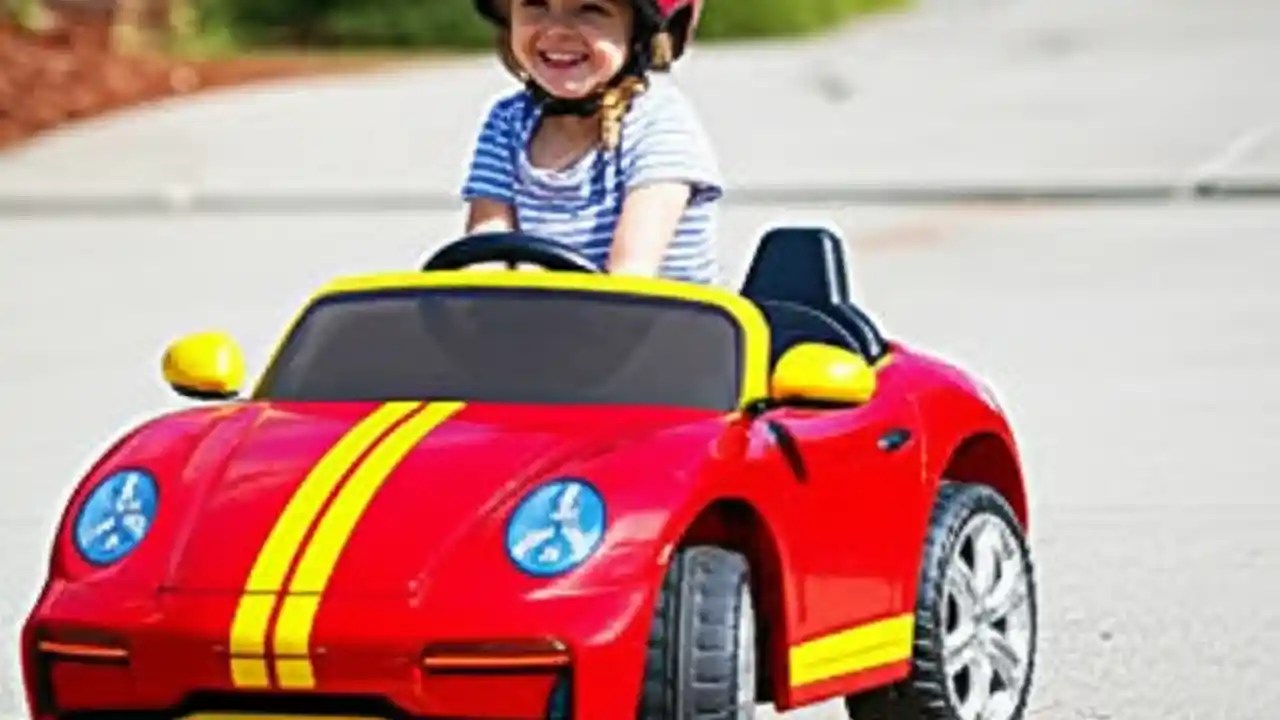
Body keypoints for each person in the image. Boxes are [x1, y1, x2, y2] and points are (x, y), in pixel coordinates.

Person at [461, 0, 724, 285]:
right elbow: (485, 250)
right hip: (547, 321)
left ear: (641, 33)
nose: (558, 30)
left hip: (655, 322)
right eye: (535, 4)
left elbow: (631, 277)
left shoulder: (658, 123)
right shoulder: (508, 121)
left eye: (590, 9)